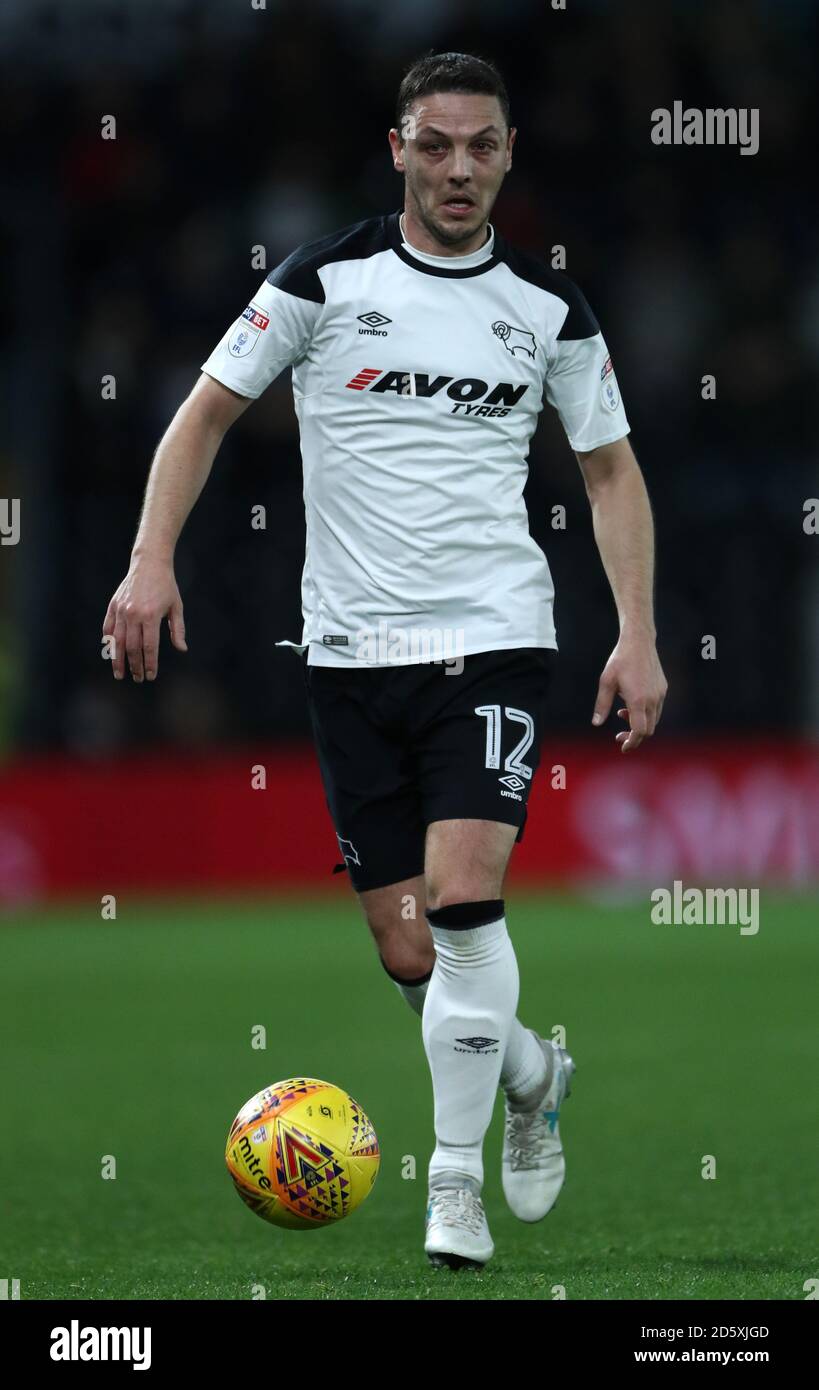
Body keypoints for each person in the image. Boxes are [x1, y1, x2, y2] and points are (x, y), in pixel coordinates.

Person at [103, 51, 667, 1269]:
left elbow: (611, 469)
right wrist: (152, 560)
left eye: (482, 146)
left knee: (466, 907)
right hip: (352, 655)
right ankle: (533, 1072)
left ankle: (451, 1186)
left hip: (495, 640)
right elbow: (203, 411)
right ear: (399, 149)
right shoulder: (323, 278)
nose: (460, 168)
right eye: (437, 145)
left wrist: (635, 630)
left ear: (509, 154)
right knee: (411, 950)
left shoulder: (549, 312)